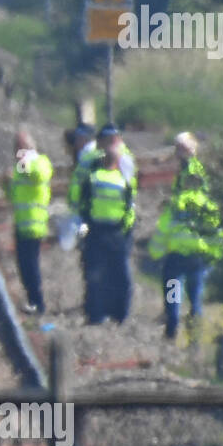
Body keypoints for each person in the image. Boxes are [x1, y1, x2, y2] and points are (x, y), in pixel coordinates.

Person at [150, 174, 223, 341]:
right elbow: (216, 235)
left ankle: (171, 330)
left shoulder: (176, 204)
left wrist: (156, 253)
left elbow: (163, 229)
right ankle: (195, 336)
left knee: (173, 295)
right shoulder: (209, 206)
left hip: (176, 259)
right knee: (196, 297)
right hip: (198, 259)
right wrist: (214, 257)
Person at [80, 129, 136, 325]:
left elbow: (83, 203)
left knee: (95, 274)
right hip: (116, 233)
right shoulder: (123, 182)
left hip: (96, 231)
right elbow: (130, 210)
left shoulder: (93, 178)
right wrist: (126, 230)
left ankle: (96, 314)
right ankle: (121, 313)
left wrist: (85, 224)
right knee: (120, 275)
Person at [7, 130, 53, 315]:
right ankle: (32, 300)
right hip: (21, 224)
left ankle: (38, 303)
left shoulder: (40, 162)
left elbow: (39, 176)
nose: (17, 151)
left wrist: (24, 163)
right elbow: (14, 196)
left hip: (34, 224)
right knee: (24, 266)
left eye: (20, 147)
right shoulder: (20, 167)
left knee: (31, 265)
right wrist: (7, 183)